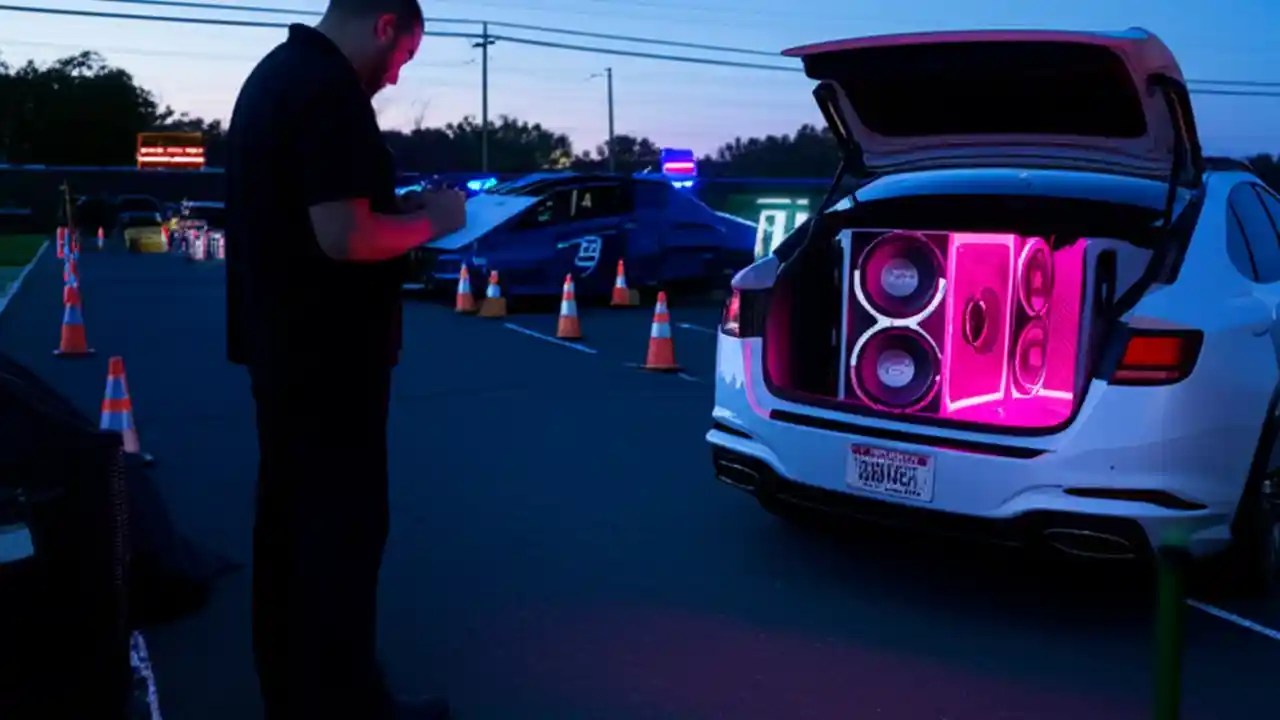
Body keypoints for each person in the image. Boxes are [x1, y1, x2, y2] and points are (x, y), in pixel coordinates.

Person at [223, 0, 465, 717]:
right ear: (385, 23)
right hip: (329, 356)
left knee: (290, 530)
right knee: (341, 534)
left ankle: (296, 694)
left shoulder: (276, 75)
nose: (394, 77)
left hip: (282, 345)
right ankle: (347, 704)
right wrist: (436, 221)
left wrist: (398, 205)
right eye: (403, 57)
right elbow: (344, 236)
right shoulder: (329, 89)